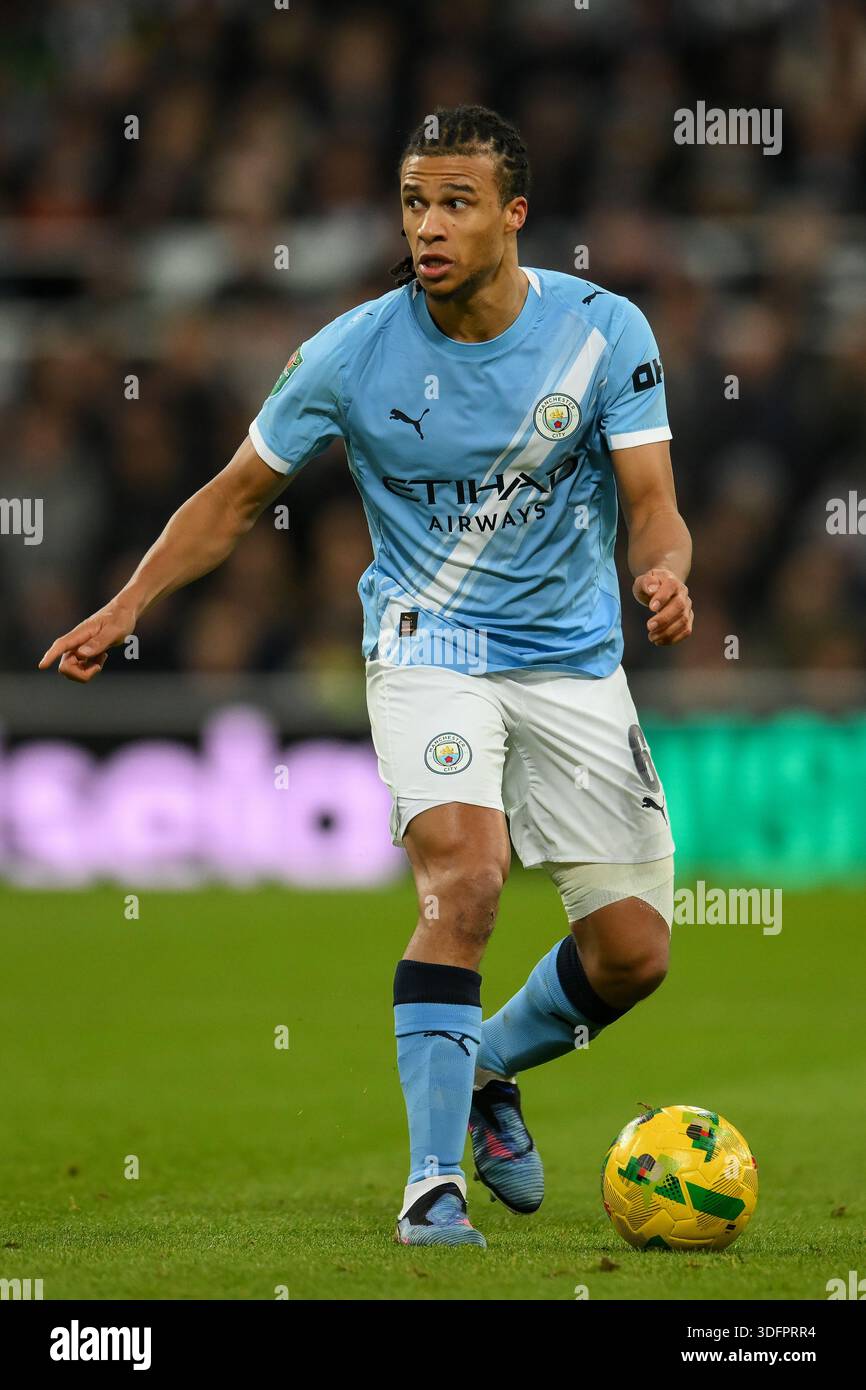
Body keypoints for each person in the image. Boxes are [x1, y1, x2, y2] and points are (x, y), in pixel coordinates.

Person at [40, 105, 693, 1249]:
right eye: (411, 203)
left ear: (512, 216)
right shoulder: (349, 351)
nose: (427, 226)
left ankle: (479, 1063)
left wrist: (665, 575)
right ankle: (429, 1186)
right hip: (425, 647)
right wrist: (128, 603)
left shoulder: (603, 332)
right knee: (466, 878)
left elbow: (652, 507)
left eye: (454, 203)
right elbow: (234, 496)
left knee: (632, 956)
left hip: (571, 662)